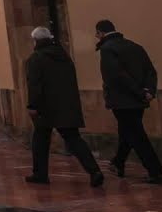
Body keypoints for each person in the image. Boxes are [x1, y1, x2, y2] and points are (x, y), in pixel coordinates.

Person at [24, 27, 103, 187]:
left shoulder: (36, 58)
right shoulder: (63, 56)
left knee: (40, 139)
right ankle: (94, 171)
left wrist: (32, 105)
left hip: (45, 107)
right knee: (74, 139)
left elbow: (35, 85)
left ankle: (40, 173)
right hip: (66, 104)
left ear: (36, 41)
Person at [95, 20, 162, 183]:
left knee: (136, 135)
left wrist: (139, 91)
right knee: (128, 131)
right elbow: (150, 70)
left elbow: (116, 75)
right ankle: (118, 162)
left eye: (97, 34)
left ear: (100, 33)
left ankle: (156, 171)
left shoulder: (107, 49)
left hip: (122, 99)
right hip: (138, 99)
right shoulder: (135, 46)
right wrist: (149, 91)